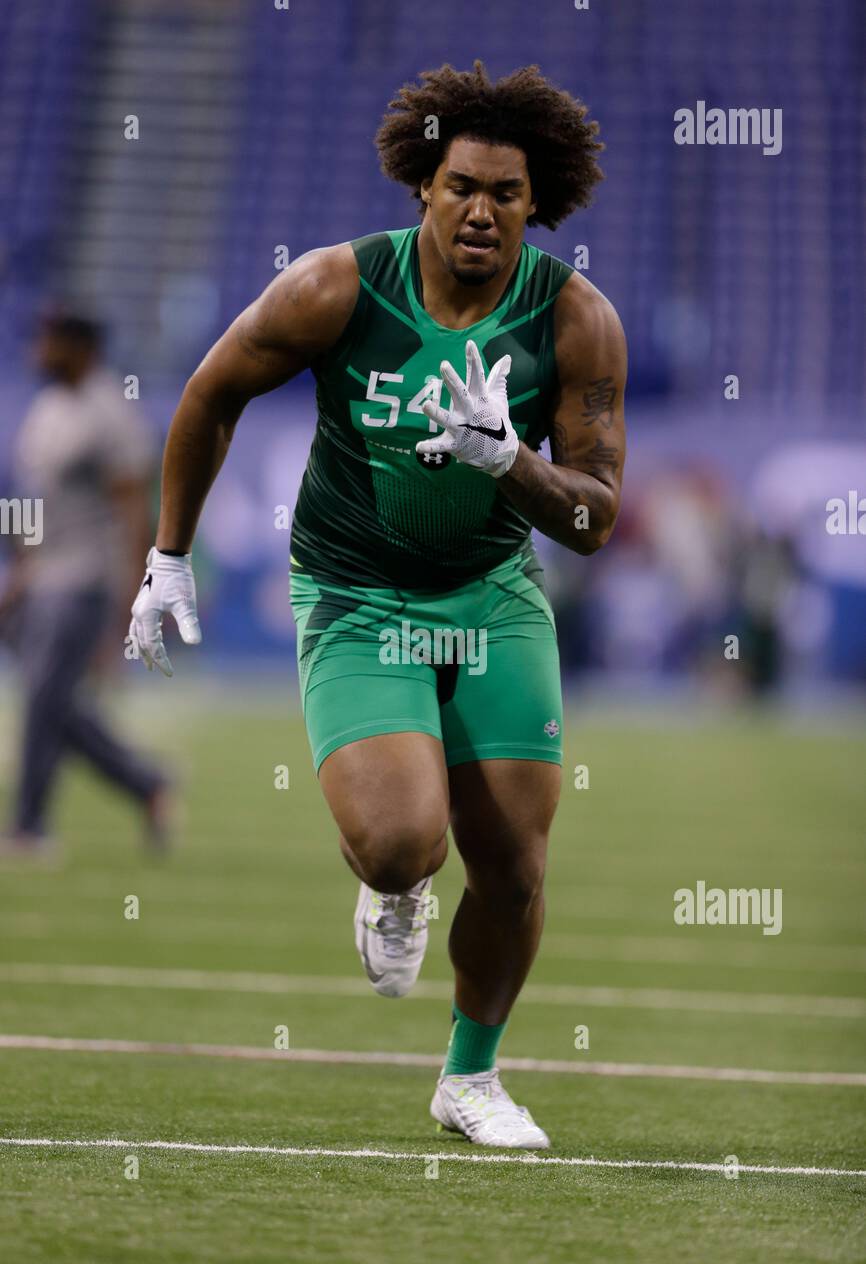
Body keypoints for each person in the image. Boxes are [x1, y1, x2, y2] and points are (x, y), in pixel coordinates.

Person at [130, 61, 627, 1147]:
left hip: (492, 597)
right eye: (460, 186)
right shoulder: (337, 288)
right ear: (422, 188)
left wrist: (511, 465)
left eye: (504, 193)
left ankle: (469, 1078)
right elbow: (210, 393)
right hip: (358, 590)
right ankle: (392, 886)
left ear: (536, 205)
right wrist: (170, 555)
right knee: (405, 843)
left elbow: (594, 517)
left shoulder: (575, 320)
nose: (480, 210)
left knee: (514, 866)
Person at [0, 311, 171, 856]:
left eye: (48, 340)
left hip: (82, 579)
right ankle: (146, 783)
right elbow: (27, 496)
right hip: (38, 577)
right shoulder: (46, 409)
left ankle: (29, 828)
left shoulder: (110, 413)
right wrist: (18, 569)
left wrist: (134, 595)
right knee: (51, 700)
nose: (37, 351)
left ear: (79, 347)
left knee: (46, 697)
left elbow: (131, 510)